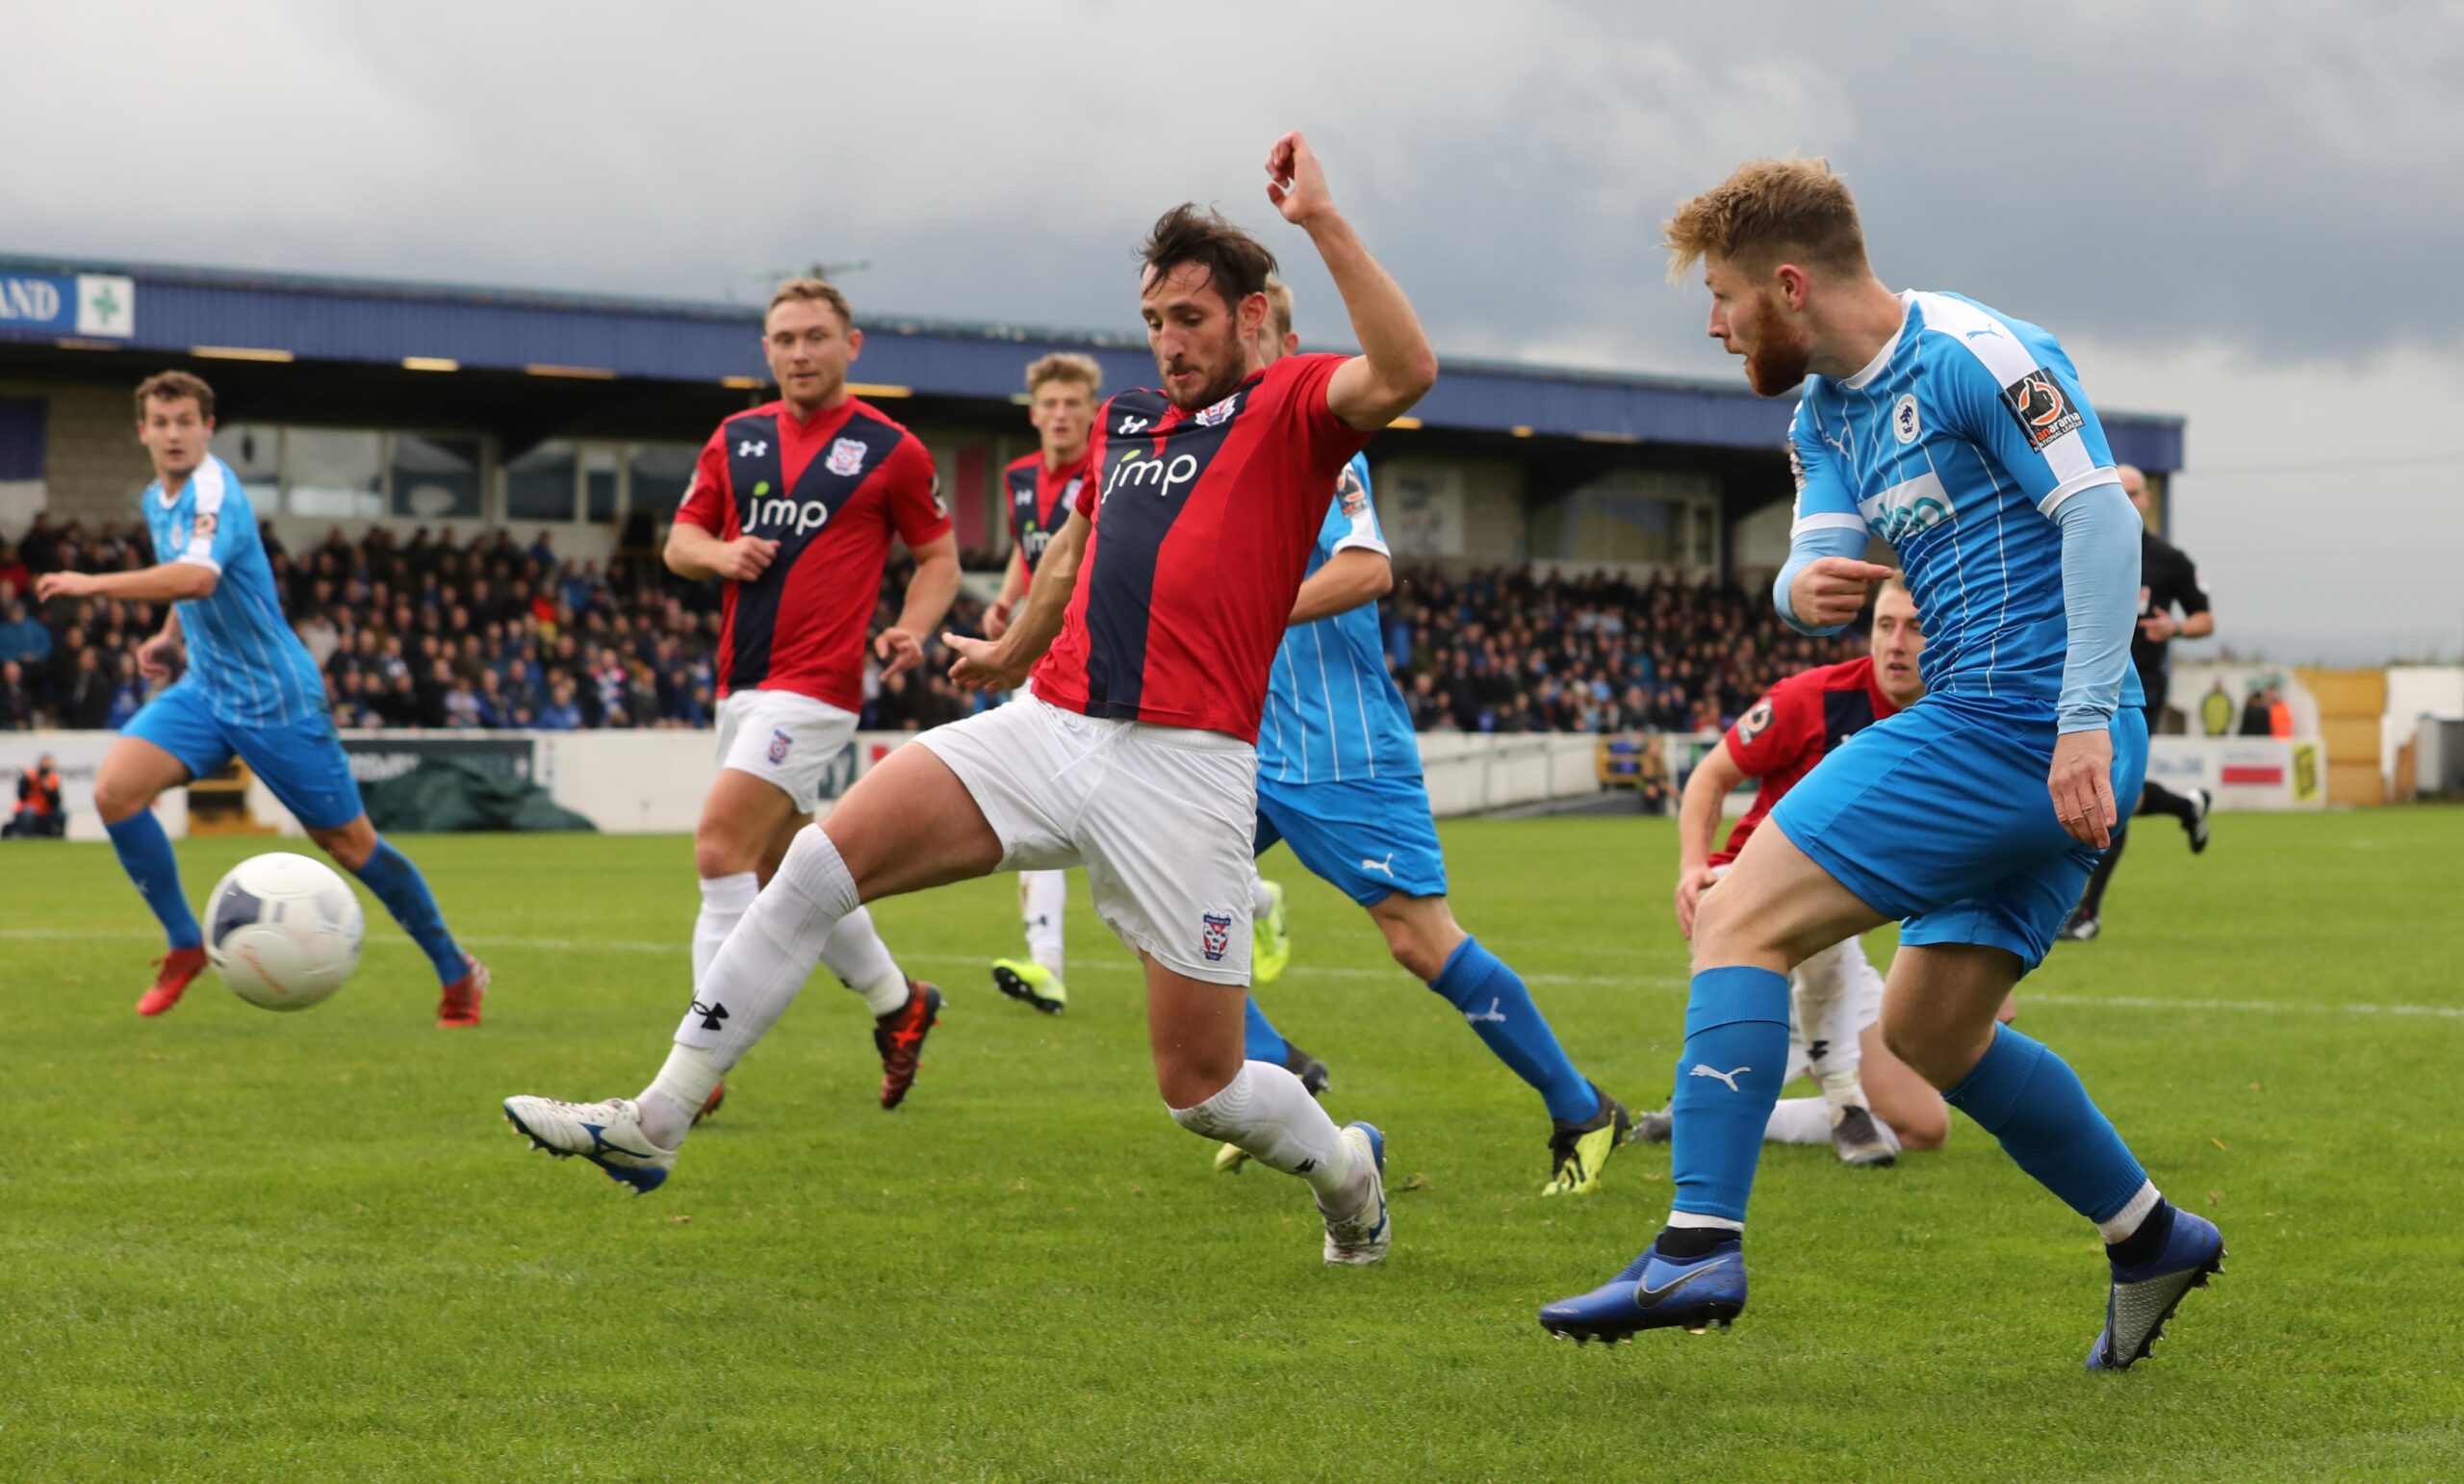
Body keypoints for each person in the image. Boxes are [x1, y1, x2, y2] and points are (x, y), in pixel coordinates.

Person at [505, 132, 1435, 1269]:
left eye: (1190, 318)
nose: (1168, 341)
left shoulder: (1294, 404)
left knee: (1200, 1090)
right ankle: (655, 1121)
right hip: (1050, 724)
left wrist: (1320, 222)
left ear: (1249, 317)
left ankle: (1346, 1175)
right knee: (813, 866)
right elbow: (1072, 550)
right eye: (1153, 320)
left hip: (1186, 766)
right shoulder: (1128, 419)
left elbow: (1406, 370)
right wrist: (1012, 653)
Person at [1538, 158, 2222, 1369]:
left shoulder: (1978, 355)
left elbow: (2102, 516)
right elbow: (1809, 560)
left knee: (1737, 915)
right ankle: (2152, 1237)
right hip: (2023, 732)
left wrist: (2076, 721)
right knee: (1928, 1036)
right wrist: (1798, 588)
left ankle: (1696, 1242)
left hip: (2023, 722)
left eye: (1722, 298)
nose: (1713, 326)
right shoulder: (1822, 414)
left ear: (1788, 285)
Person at [1224, 277, 1637, 1198]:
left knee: (1420, 941)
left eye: (1258, 339)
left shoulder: (1321, 445)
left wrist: (1251, 615)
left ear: (1286, 347)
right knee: (1156, 886)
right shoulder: (1214, 449)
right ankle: (1277, 1068)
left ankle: (1581, 1109)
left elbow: (1367, 570)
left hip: (1340, 751)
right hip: (1248, 743)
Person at [34, 371, 488, 1021]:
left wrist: (91, 583)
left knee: (351, 846)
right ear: (142, 431)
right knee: (115, 793)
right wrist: (168, 637)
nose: (173, 434)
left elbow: (196, 577)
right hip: (206, 687)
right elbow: (190, 580)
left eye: (185, 421)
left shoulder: (214, 490)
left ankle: (456, 972)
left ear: (208, 427)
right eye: (160, 422)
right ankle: (186, 944)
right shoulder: (158, 497)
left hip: (276, 698)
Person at [660, 278, 961, 1112]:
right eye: (785, 339)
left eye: (816, 337)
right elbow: (680, 542)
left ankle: (698, 1070)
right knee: (784, 865)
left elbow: (939, 559)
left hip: (815, 689)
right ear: (767, 350)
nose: (800, 353)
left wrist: (913, 627)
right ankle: (900, 1005)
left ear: (850, 346)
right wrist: (720, 555)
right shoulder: (736, 438)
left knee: (720, 847)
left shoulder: (891, 449)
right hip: (741, 686)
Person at [1647, 576, 1946, 1166]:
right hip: (1751, 903)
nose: (1895, 643)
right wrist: (1692, 866)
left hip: (1836, 925)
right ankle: (1843, 1099)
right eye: (1885, 625)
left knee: (1922, 1124)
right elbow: (1711, 776)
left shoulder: (1958, 723)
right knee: (1820, 919)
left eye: (1915, 628)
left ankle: (1698, 1115)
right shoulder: (1814, 697)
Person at [982, 351, 1102, 1016]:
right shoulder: (1020, 477)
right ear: (1033, 414)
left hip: (1094, 662)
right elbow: (1030, 549)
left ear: (1091, 412)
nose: (1060, 415)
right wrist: (1007, 601)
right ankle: (1047, 966)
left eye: (1072, 404)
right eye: (1050, 404)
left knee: (1111, 816)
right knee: (1038, 806)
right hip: (1038, 662)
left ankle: (1252, 900)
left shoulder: (1106, 471)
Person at [2062, 465, 2214, 940]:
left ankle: (2087, 912)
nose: (2126, 500)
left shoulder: (2169, 560)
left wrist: (2175, 628)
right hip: (2082, 683)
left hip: (2138, 687)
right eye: (2119, 491)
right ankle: (2187, 806)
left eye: (2134, 493)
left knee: (2109, 787)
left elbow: (2205, 619)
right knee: (2107, 785)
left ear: (2147, 500)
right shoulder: (2081, 543)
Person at [5, 752, 63, 838]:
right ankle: (28, 837)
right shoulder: (29, 776)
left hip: (45, 810)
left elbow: (56, 801)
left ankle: (58, 837)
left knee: (61, 813)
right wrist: (32, 782)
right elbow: (22, 795)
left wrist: (48, 789)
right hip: (26, 808)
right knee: (29, 812)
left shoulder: (53, 779)